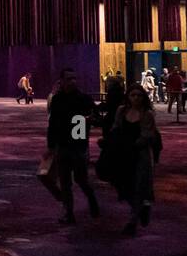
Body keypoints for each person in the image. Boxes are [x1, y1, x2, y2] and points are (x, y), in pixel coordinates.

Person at [99, 84, 161, 237]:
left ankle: (132, 221)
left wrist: (132, 144)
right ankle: (142, 207)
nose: (136, 98)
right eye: (133, 95)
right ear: (128, 97)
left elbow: (147, 136)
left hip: (140, 155)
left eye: (139, 95)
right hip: (123, 153)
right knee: (123, 186)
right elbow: (115, 129)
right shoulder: (122, 111)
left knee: (139, 186)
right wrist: (109, 142)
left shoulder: (147, 114)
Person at [46, 67, 100, 224]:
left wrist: (90, 120)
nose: (72, 82)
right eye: (69, 79)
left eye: (74, 78)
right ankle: (69, 213)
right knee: (65, 182)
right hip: (63, 144)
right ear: (61, 81)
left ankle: (91, 199)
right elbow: (52, 124)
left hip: (78, 144)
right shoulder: (57, 100)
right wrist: (50, 146)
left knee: (81, 179)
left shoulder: (83, 98)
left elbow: (96, 116)